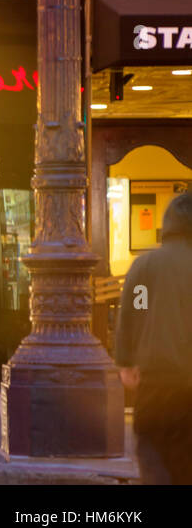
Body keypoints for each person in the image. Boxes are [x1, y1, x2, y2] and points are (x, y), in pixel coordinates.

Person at [115, 191, 192, 484]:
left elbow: (132, 315)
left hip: (156, 386)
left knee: (154, 457)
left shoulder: (145, 267)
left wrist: (125, 361)